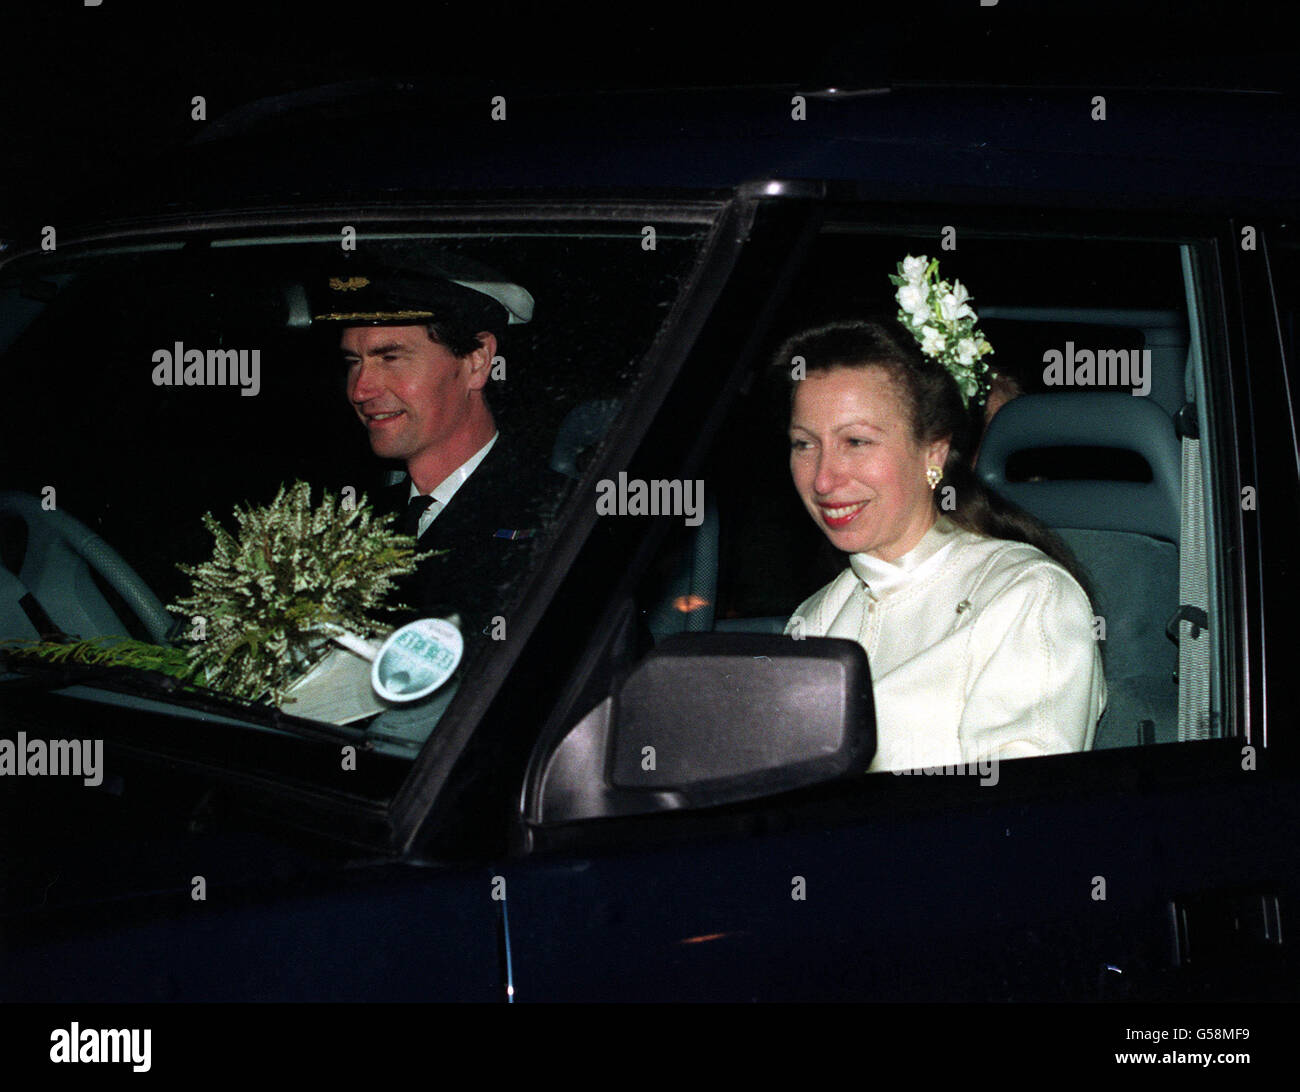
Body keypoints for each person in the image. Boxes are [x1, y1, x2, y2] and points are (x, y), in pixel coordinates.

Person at [781, 316, 1106, 773]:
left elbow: (1019, 824)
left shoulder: (1026, 599)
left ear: (934, 452)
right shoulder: (819, 616)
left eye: (856, 441)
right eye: (804, 444)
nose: (824, 478)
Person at [313, 264, 563, 642]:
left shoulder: (562, 517)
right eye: (353, 362)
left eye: (391, 358)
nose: (361, 390)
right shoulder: (349, 521)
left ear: (477, 361)